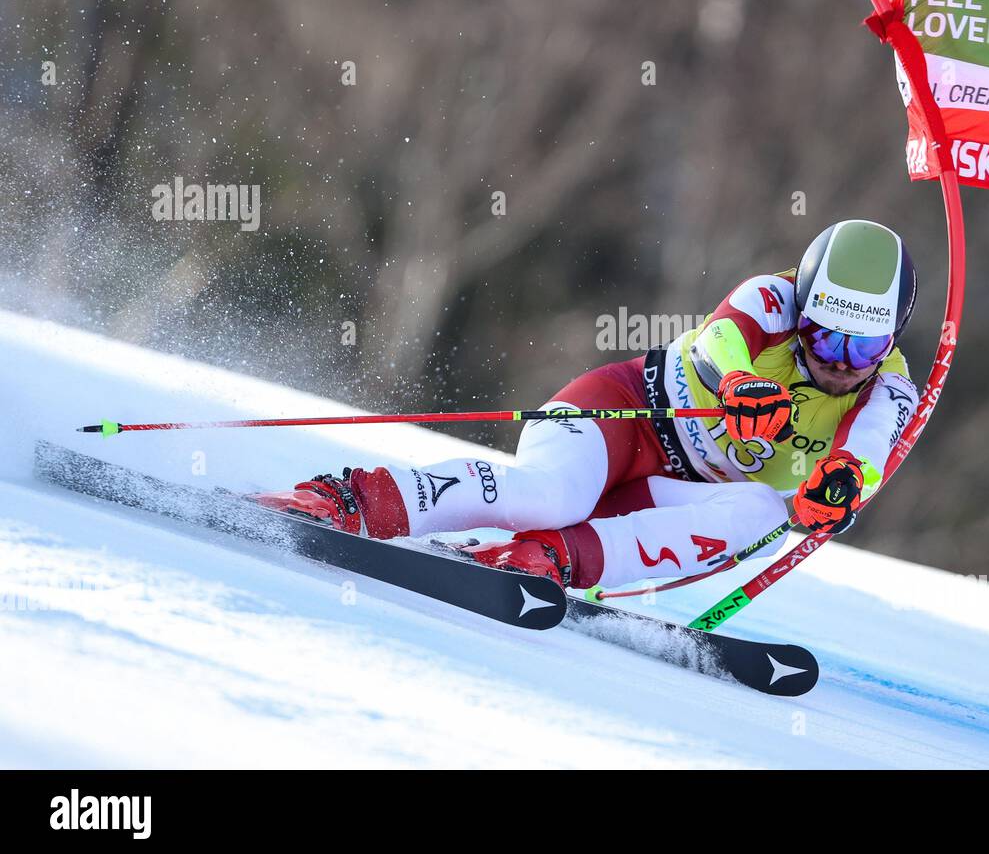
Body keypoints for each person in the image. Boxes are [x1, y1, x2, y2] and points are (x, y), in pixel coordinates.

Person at [252, 219, 920, 590]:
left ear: (890, 339)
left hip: (672, 495)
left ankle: (548, 560)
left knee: (760, 511)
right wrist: (740, 385)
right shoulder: (770, 300)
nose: (837, 359)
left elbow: (858, 462)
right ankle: (351, 500)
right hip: (628, 416)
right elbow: (722, 338)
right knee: (551, 496)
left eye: (862, 348)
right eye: (823, 333)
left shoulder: (889, 391)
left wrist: (832, 496)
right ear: (801, 308)